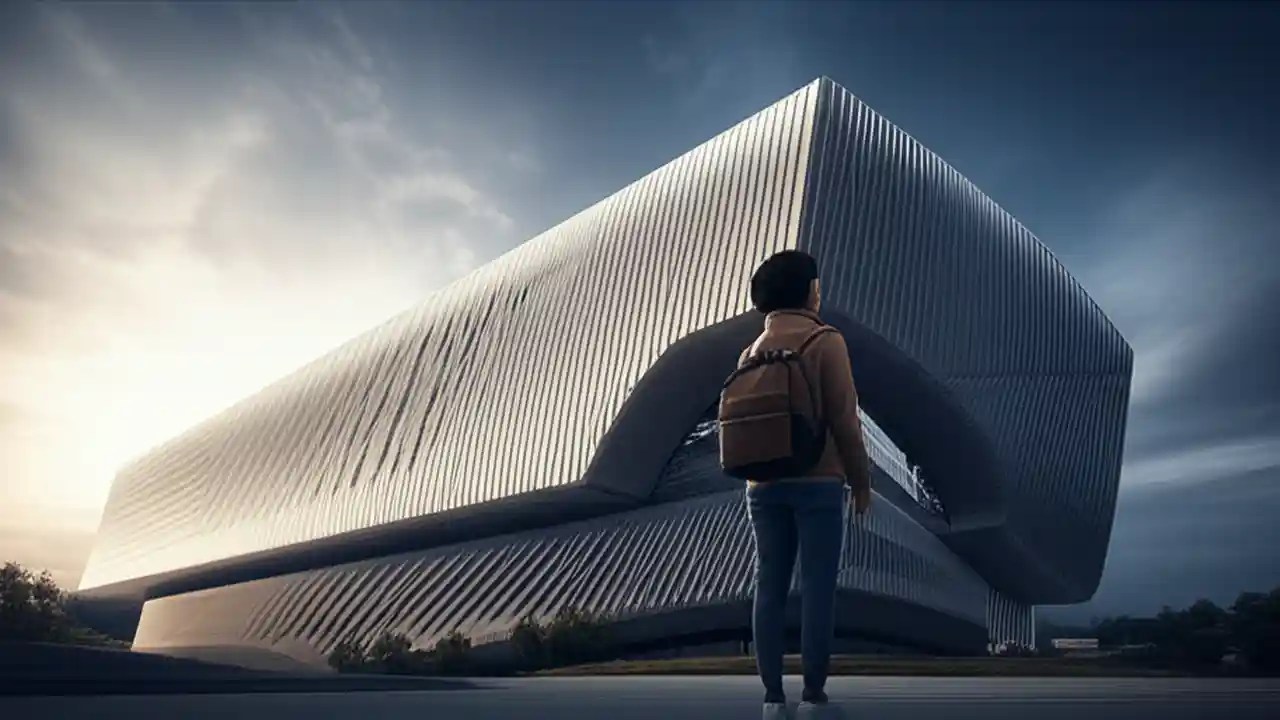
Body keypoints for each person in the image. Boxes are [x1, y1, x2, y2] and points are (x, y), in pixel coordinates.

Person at [735, 250, 872, 720]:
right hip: (818, 481)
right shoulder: (825, 341)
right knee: (817, 586)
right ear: (810, 290)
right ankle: (813, 693)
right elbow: (845, 420)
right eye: (817, 282)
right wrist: (861, 482)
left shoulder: (750, 352)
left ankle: (772, 695)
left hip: (762, 485)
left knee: (768, 583)